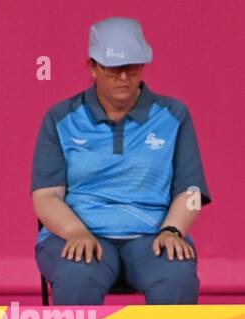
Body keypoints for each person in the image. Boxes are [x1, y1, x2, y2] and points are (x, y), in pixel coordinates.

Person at [32, 17, 211, 304]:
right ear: (92, 67)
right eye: (113, 68)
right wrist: (75, 232)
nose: (124, 77)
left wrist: (173, 230)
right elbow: (46, 196)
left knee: (176, 275)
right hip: (78, 232)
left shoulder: (174, 115)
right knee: (77, 275)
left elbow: (191, 192)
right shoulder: (61, 118)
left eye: (133, 67)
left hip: (152, 236)